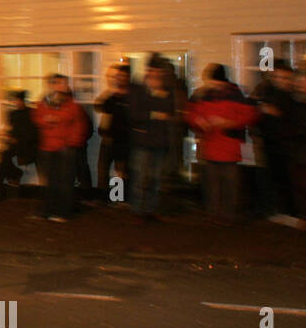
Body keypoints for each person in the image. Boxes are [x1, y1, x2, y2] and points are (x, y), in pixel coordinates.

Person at [186, 64, 260, 225]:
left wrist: (229, 123)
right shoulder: (204, 95)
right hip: (211, 144)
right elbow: (191, 114)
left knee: (228, 183)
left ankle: (227, 215)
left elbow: (250, 116)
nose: (211, 84)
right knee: (213, 183)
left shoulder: (236, 94)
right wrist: (199, 122)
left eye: (213, 81)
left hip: (228, 145)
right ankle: (214, 214)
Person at [127, 58, 177, 221]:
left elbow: (169, 112)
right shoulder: (138, 90)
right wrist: (153, 112)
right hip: (142, 140)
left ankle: (150, 209)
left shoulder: (167, 90)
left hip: (159, 141)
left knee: (155, 178)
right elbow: (134, 114)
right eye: (153, 71)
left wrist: (156, 102)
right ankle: (137, 210)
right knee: (140, 177)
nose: (156, 74)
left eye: (158, 71)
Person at [33, 74, 87, 222]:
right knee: (50, 181)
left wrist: (71, 143)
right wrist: (48, 120)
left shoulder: (72, 105)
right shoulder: (44, 103)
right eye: (60, 83)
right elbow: (38, 119)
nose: (64, 86)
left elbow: (79, 125)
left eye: (64, 83)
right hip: (47, 148)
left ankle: (62, 212)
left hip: (64, 148)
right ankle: (48, 210)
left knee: (64, 181)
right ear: (52, 85)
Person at [251, 61, 297, 220]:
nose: (281, 80)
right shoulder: (267, 91)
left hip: (288, 144)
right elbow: (256, 108)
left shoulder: (292, 96)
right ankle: (272, 209)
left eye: (284, 78)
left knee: (286, 179)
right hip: (269, 141)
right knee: (269, 177)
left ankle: (289, 211)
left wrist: (275, 113)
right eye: (277, 77)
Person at [285, 67, 306, 227]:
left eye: (303, 82)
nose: (300, 85)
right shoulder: (293, 102)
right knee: (300, 188)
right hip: (295, 152)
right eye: (298, 82)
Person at [0, 91, 37, 199]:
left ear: (23, 101)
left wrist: (16, 140)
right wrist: (6, 135)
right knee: (2, 157)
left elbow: (32, 134)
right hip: (15, 144)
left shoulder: (31, 113)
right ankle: (1, 187)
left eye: (18, 100)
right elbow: (12, 130)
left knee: (4, 158)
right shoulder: (13, 114)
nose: (16, 102)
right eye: (15, 100)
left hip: (27, 145)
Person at [95, 64, 131, 204]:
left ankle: (118, 197)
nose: (119, 79)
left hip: (123, 140)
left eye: (122, 76)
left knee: (120, 170)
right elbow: (99, 106)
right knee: (102, 168)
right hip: (108, 139)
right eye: (118, 76)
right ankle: (103, 197)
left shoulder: (130, 98)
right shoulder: (112, 96)